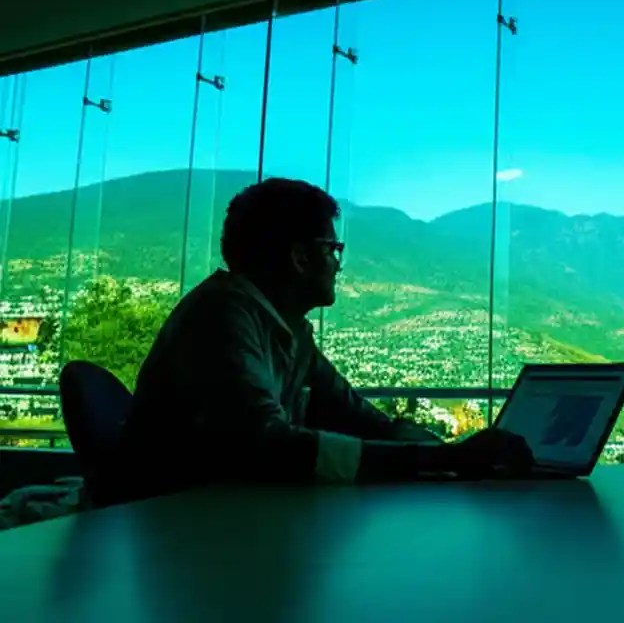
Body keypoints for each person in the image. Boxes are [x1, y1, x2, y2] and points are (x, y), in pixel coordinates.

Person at [113, 178, 533, 503]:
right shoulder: (221, 317)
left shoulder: (285, 330)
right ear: (300, 258)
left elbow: (362, 420)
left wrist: (454, 455)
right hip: (178, 535)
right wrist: (447, 459)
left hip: (217, 528)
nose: (337, 264)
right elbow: (265, 445)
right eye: (332, 249)